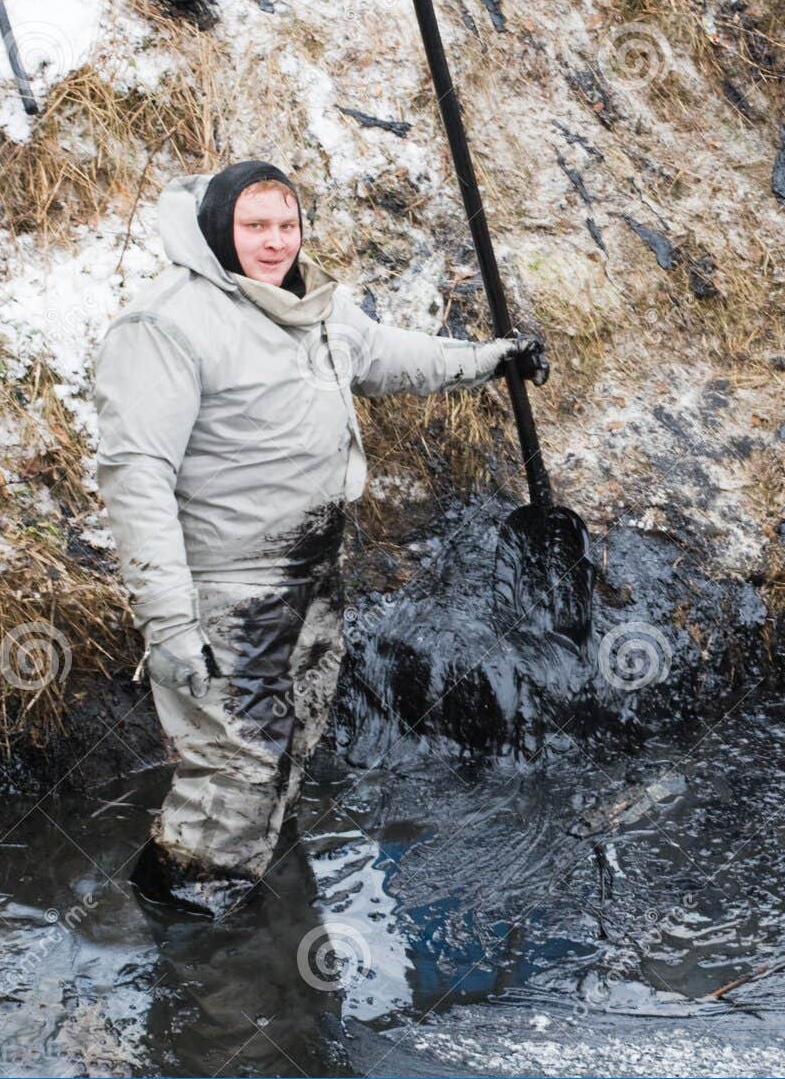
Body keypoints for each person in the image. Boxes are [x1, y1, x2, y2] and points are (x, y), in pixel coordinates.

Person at [94, 160, 547, 919]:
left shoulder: (314, 305)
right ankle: (184, 938)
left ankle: (251, 902)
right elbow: (135, 476)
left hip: (312, 569)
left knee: (293, 731)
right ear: (218, 229)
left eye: (286, 225)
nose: (274, 243)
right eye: (254, 227)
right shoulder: (167, 323)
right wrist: (168, 622)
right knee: (237, 759)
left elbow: (392, 357)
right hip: (227, 586)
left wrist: (490, 359)